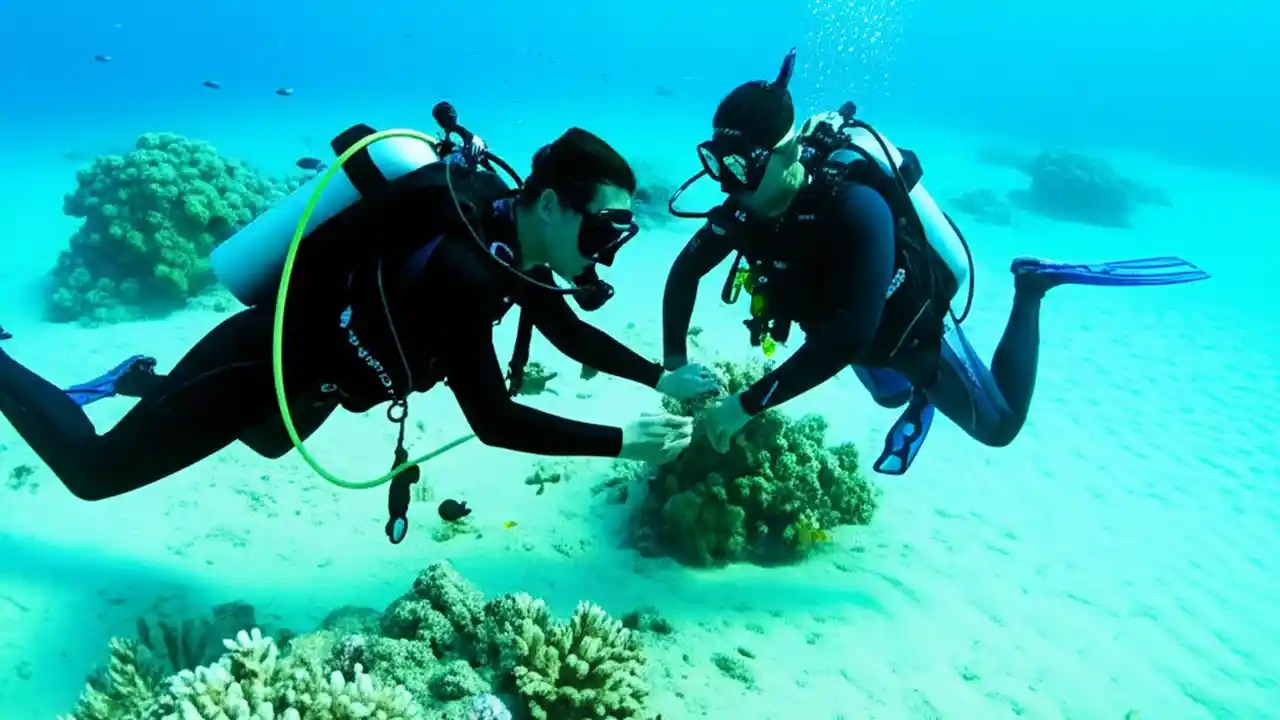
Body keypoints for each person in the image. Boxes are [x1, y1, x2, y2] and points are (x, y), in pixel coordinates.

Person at [0, 122, 718, 508]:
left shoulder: (508, 237)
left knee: (269, 444)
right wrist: (622, 442)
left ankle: (147, 382)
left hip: (319, 384)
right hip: (261, 364)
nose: (609, 254)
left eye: (622, 237)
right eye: (604, 233)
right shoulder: (469, 266)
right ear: (555, 205)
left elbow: (560, 323)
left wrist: (661, 375)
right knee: (94, 473)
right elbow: (495, 422)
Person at [660, 49, 1210, 474]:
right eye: (718, 163)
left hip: (911, 330)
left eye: (742, 165)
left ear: (785, 154)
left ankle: (1033, 286)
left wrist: (745, 406)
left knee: (998, 428)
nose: (729, 183)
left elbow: (850, 336)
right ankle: (917, 397)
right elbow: (686, 271)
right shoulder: (746, 205)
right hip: (847, 330)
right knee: (888, 394)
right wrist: (673, 362)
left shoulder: (854, 205)